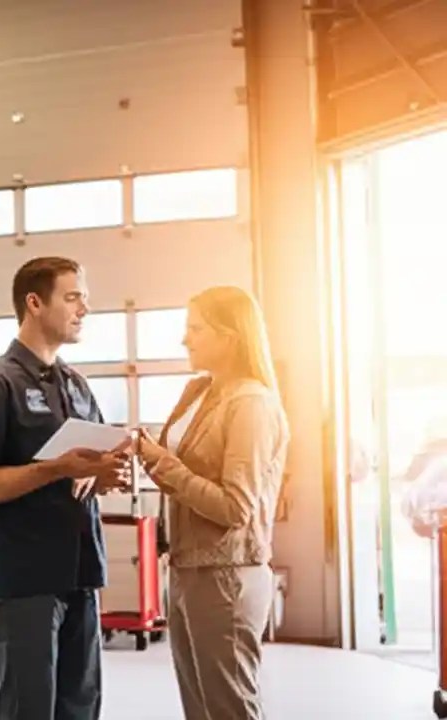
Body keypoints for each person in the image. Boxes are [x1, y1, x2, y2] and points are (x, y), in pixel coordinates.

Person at [0, 256, 131, 720]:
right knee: (29, 709)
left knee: (80, 708)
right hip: (26, 580)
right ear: (34, 303)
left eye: (85, 299)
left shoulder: (77, 385)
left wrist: (103, 472)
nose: (84, 309)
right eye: (72, 298)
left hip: (82, 576)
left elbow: (87, 466)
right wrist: (54, 470)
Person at [133, 286, 289, 720]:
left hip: (227, 575)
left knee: (229, 709)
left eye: (196, 329)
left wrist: (163, 464)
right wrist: (147, 457)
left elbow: (235, 507)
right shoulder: (203, 393)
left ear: (230, 336)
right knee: (200, 710)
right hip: (188, 569)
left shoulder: (251, 404)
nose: (186, 339)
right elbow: (182, 474)